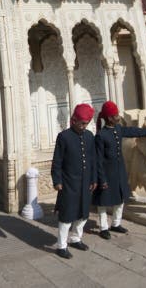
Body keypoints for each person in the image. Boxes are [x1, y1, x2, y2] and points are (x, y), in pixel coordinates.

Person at [93, 100, 146, 239]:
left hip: (119, 172)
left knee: (120, 198)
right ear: (110, 118)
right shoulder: (101, 135)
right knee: (103, 202)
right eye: (116, 115)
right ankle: (103, 227)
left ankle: (116, 224)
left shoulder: (118, 129)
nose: (118, 117)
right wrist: (101, 179)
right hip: (106, 174)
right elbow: (98, 160)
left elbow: (132, 131)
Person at [51, 103, 101, 259]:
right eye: (82, 123)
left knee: (83, 214)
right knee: (67, 215)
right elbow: (57, 161)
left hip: (86, 183)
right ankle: (61, 245)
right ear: (74, 120)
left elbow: (92, 160)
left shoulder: (89, 136)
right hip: (68, 183)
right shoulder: (64, 137)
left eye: (87, 123)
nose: (84, 126)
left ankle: (75, 239)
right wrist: (57, 180)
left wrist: (94, 178)